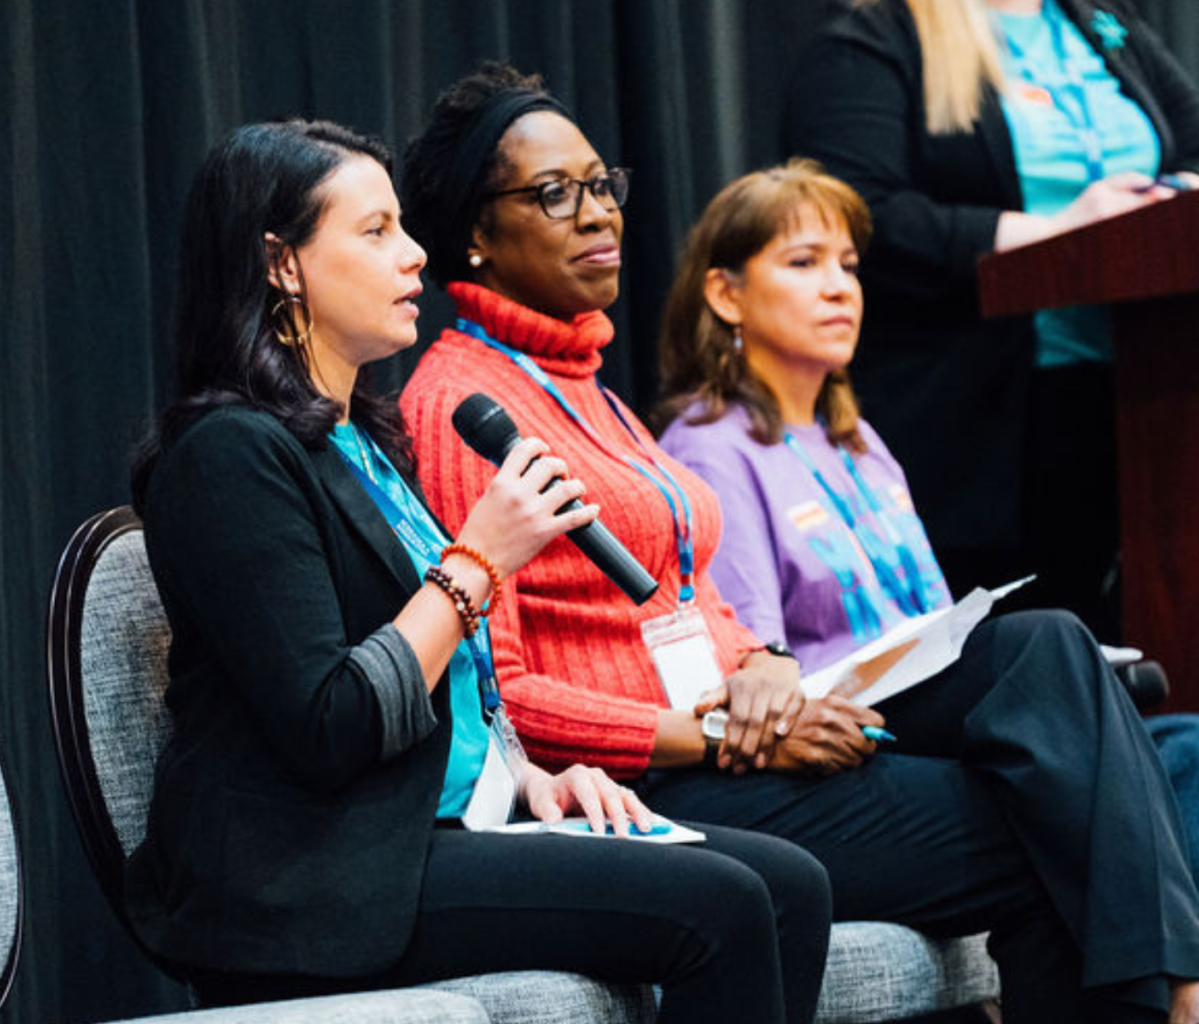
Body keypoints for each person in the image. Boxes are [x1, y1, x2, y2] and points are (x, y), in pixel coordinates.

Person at [398, 62, 1199, 1024]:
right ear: (476, 236)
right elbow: (503, 696)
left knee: (1045, 645)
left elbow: (692, 599)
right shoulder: (459, 406)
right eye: (553, 194)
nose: (597, 213)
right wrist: (727, 730)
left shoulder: (590, 387)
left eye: (604, 185)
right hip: (649, 780)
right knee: (1060, 818)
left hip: (737, 736)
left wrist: (762, 663)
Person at [121, 118, 832, 1024]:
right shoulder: (228, 456)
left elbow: (455, 694)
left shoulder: (364, 445)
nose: (415, 255)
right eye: (375, 232)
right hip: (315, 874)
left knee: (792, 884)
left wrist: (532, 780)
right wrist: (480, 561)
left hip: (429, 830)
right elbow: (331, 722)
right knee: (727, 904)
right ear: (281, 263)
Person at [654, 158, 1199, 1024]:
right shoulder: (712, 446)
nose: (838, 288)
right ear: (726, 294)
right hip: (847, 749)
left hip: (934, 721)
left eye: (850, 266)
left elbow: (942, 629)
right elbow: (755, 661)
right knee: (1049, 652)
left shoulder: (860, 444)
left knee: (1188, 745)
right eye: (803, 262)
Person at [784, 0, 1199, 640]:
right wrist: (1058, 234)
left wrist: (1168, 206)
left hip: (1141, 396)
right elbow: (856, 214)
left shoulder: (1101, 23)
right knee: (1023, 649)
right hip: (976, 421)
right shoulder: (875, 41)